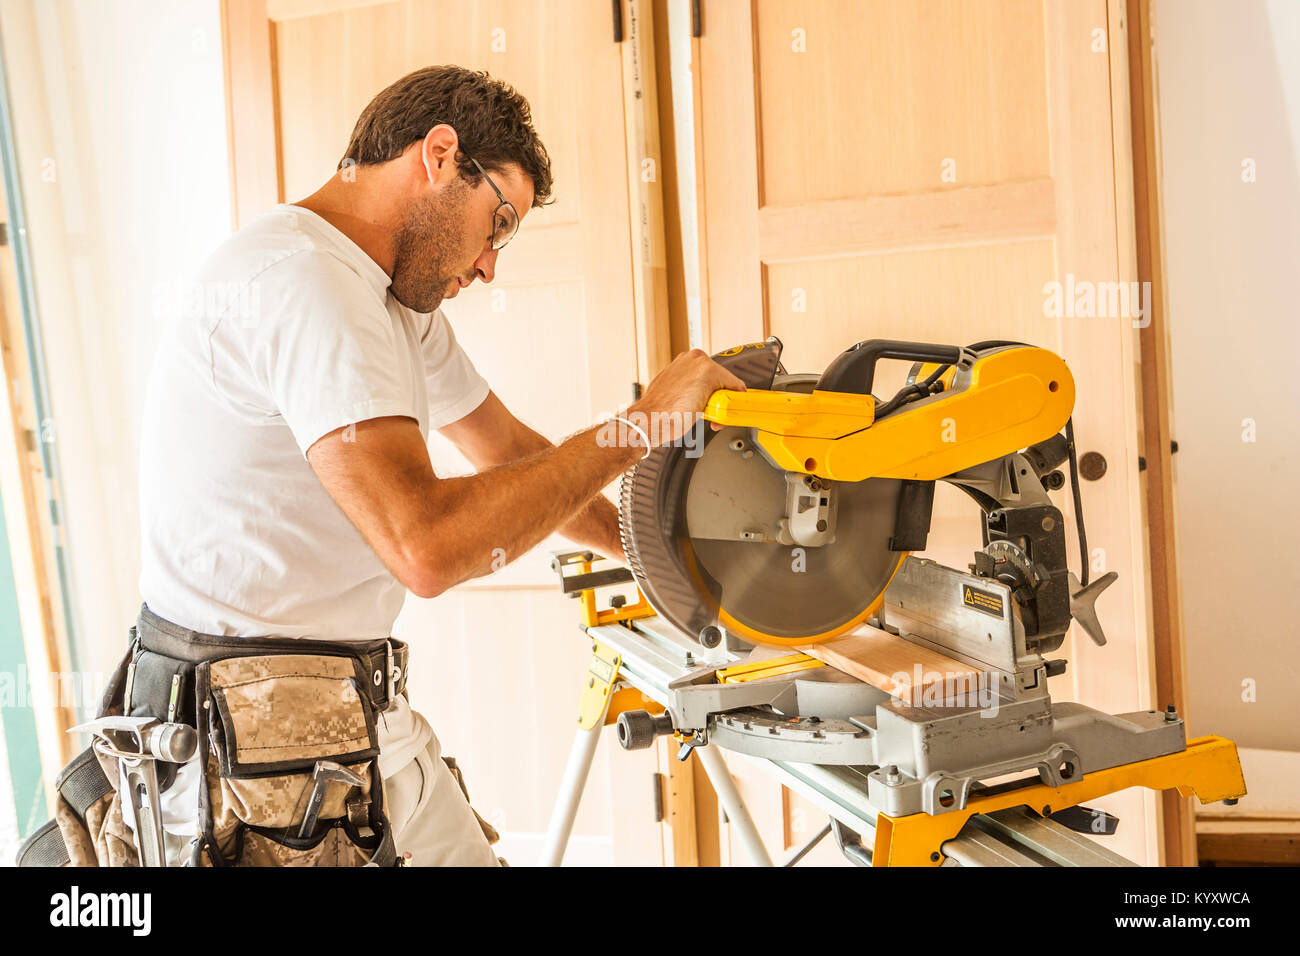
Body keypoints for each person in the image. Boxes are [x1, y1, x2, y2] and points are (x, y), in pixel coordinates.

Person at [135, 64, 743, 865]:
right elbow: (425, 547)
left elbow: (517, 456)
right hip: (250, 756)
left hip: (352, 713)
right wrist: (644, 422)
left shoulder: (390, 300)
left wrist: (670, 560)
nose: (490, 264)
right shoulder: (300, 282)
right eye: (499, 223)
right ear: (440, 154)